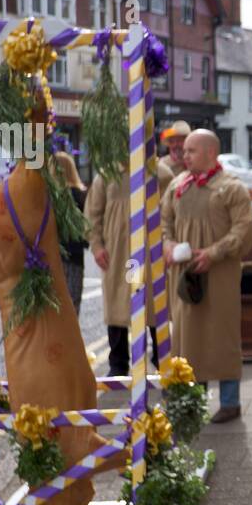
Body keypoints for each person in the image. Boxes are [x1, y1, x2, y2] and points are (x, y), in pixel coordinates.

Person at [162, 129, 252, 423]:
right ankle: (192, 401)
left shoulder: (232, 188)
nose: (184, 155)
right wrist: (168, 244)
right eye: (184, 150)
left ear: (211, 153)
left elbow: (243, 229)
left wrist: (213, 253)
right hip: (185, 275)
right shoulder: (177, 185)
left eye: (191, 150)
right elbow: (165, 222)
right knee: (188, 338)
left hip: (220, 276)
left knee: (222, 335)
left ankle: (230, 402)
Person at [86, 150, 176, 377]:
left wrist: (168, 244)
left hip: (150, 251)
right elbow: (92, 215)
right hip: (117, 254)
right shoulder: (106, 175)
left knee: (155, 304)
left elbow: (171, 213)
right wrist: (96, 246)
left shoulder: (161, 174)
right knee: (118, 304)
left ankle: (161, 357)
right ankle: (118, 362)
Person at [53, 151, 89, 313]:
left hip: (53, 256)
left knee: (56, 304)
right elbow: (86, 227)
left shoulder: (49, 196)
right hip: (75, 256)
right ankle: (73, 338)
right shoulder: (80, 195)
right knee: (73, 302)